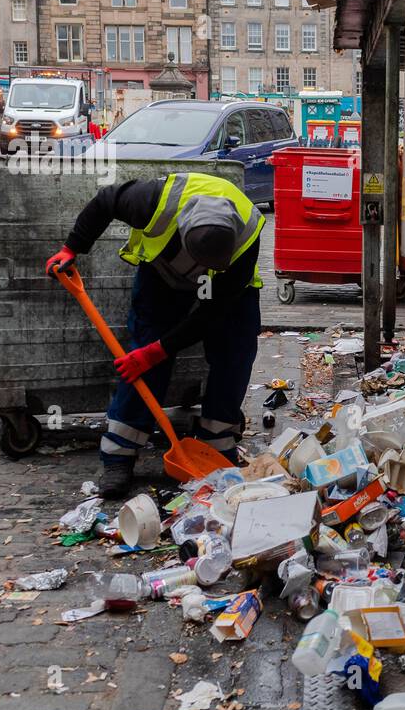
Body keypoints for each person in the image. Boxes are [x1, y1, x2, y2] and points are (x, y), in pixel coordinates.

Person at [45, 173, 264, 498]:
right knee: (143, 361)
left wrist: (159, 350)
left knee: (235, 350)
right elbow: (105, 201)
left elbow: (212, 313)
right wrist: (72, 247)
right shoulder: (151, 201)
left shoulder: (247, 233)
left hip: (227, 291)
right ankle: (119, 456)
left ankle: (217, 446)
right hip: (164, 275)